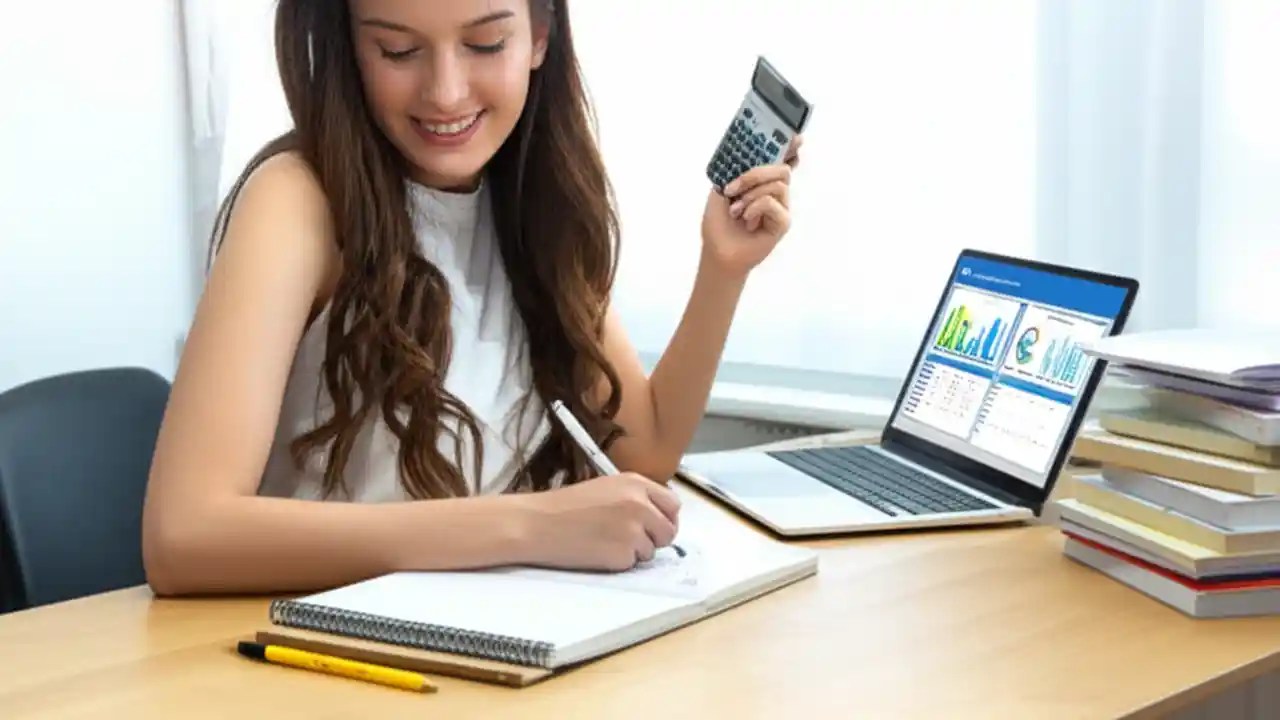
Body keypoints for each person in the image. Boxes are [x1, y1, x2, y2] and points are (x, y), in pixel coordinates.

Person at [141, 0, 801, 596]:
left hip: (494, 636)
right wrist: (530, 526)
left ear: (539, 36)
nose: (446, 91)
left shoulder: (528, 199)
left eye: (485, 44)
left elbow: (644, 451)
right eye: (398, 51)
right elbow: (183, 537)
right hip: (331, 654)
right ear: (349, 46)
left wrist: (723, 268)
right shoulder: (296, 201)